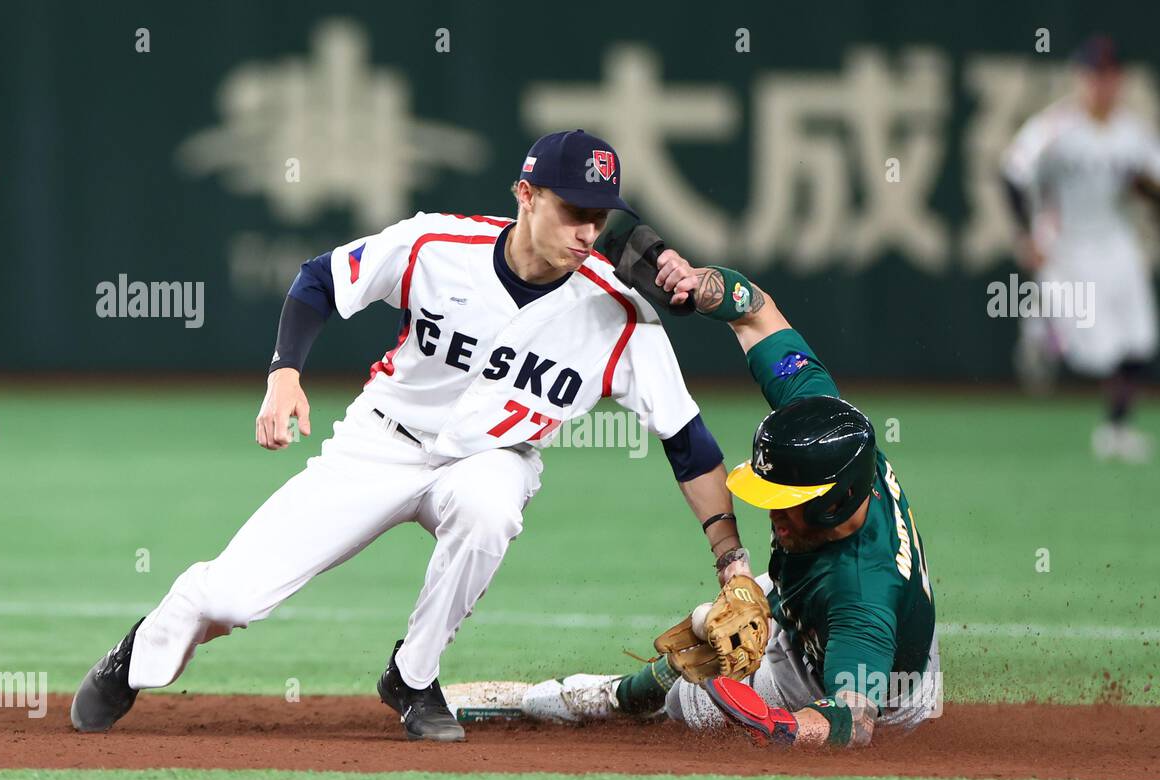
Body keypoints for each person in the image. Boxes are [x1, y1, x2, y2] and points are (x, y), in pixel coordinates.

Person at [70, 130, 751, 742]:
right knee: (229, 599)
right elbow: (318, 282)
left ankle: (412, 676)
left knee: (491, 505)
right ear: (525, 194)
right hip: (380, 444)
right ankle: (138, 657)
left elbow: (687, 439)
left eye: (598, 216)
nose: (586, 229)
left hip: (491, 459)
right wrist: (284, 375)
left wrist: (732, 562)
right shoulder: (436, 245)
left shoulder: (620, 315)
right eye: (572, 209)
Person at [523, 255, 941, 748]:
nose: (772, 513)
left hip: (855, 684)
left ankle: (625, 702)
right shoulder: (824, 428)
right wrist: (702, 285)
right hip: (827, 600)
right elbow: (756, 312)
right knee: (715, 623)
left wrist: (776, 724)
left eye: (786, 501)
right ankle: (623, 695)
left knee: (694, 690)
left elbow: (853, 725)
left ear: (834, 502)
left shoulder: (861, 601)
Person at [1002, 35, 1160, 462]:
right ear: (1080, 78)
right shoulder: (1056, 128)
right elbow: (1012, 172)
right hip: (1066, 247)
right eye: (1093, 74)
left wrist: (1150, 190)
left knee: (1139, 344)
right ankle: (1046, 330)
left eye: (1108, 74)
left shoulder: (1135, 134)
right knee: (1098, 350)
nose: (1101, 83)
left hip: (1116, 243)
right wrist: (1026, 235)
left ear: (1119, 80)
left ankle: (1115, 432)